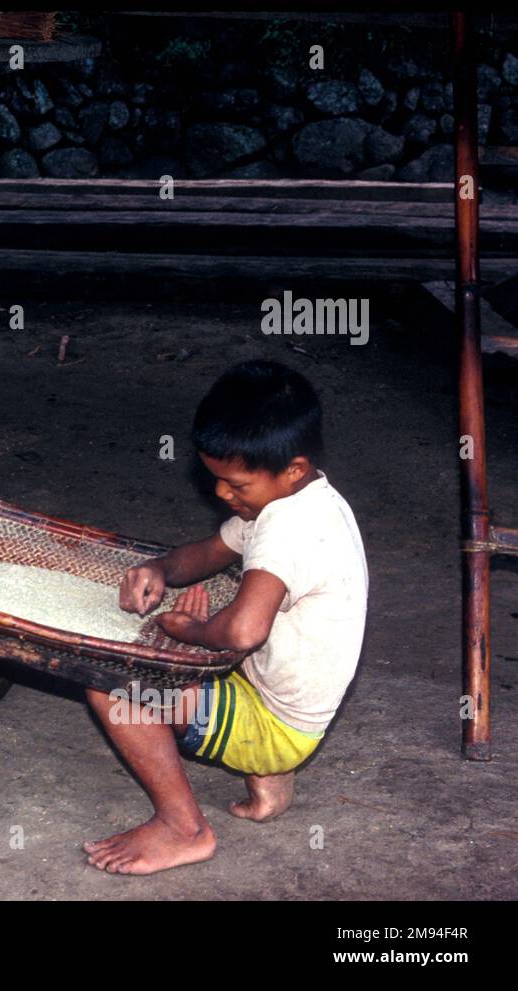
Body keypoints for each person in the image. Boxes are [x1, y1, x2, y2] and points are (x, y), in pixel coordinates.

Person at [84, 359, 368, 873]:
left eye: (235, 484)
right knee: (209, 610)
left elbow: (243, 630)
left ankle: (184, 829)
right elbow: (210, 553)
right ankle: (271, 772)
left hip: (274, 723)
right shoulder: (298, 502)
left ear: (293, 469)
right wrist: (160, 568)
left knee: (112, 685)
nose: (221, 494)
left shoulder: (287, 533)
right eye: (215, 479)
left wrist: (192, 631)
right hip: (288, 708)